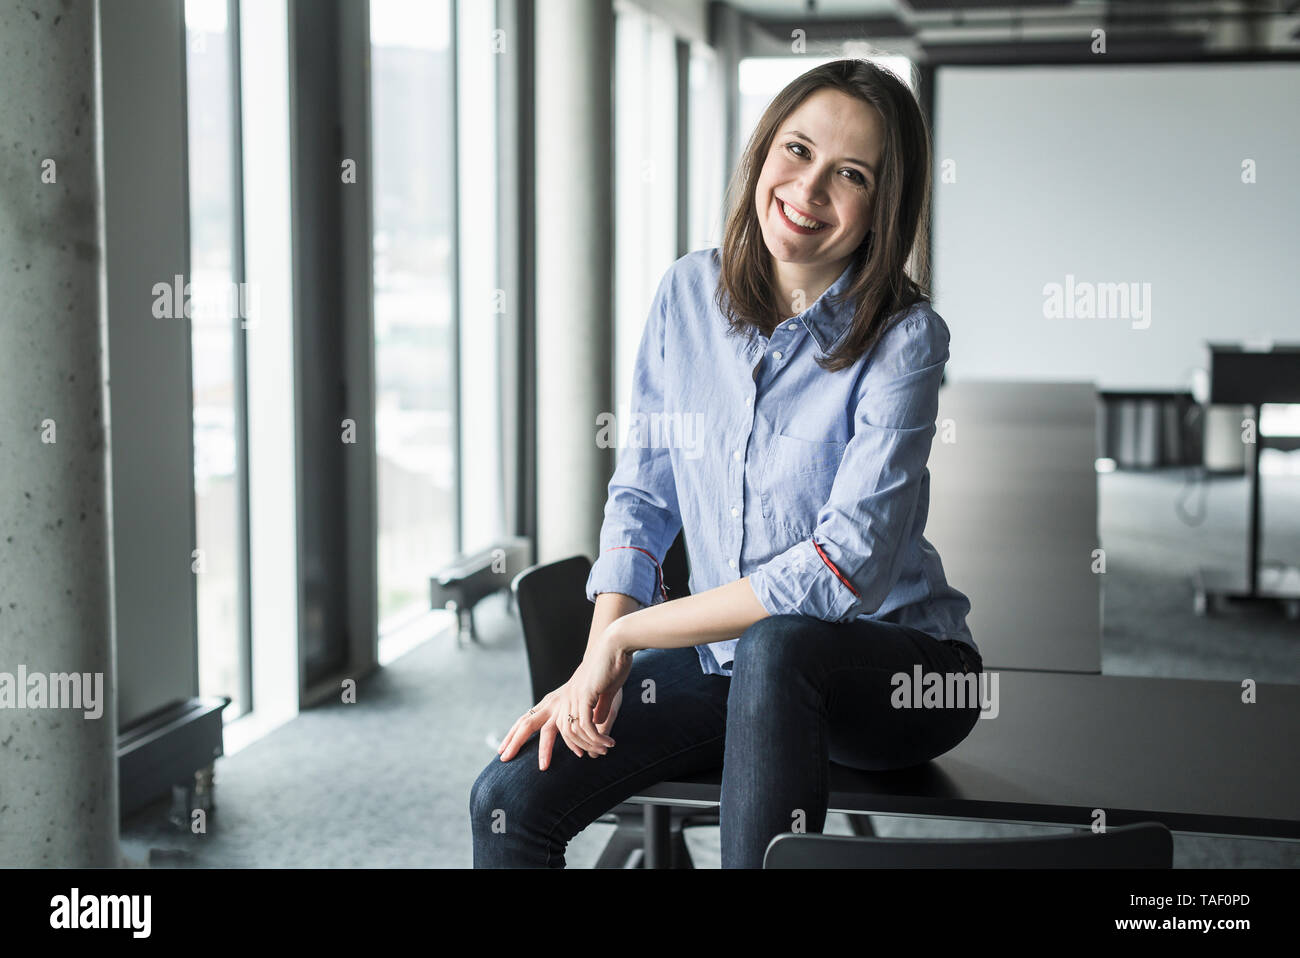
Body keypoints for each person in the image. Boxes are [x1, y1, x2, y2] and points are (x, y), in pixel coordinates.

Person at [471, 57, 982, 869]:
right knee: (508, 799)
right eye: (797, 150)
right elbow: (641, 495)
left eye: (849, 174)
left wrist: (635, 634)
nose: (809, 190)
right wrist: (600, 654)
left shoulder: (906, 339)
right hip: (733, 665)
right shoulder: (686, 294)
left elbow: (840, 571)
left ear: (884, 206)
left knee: (783, 641)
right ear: (761, 153)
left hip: (899, 677)